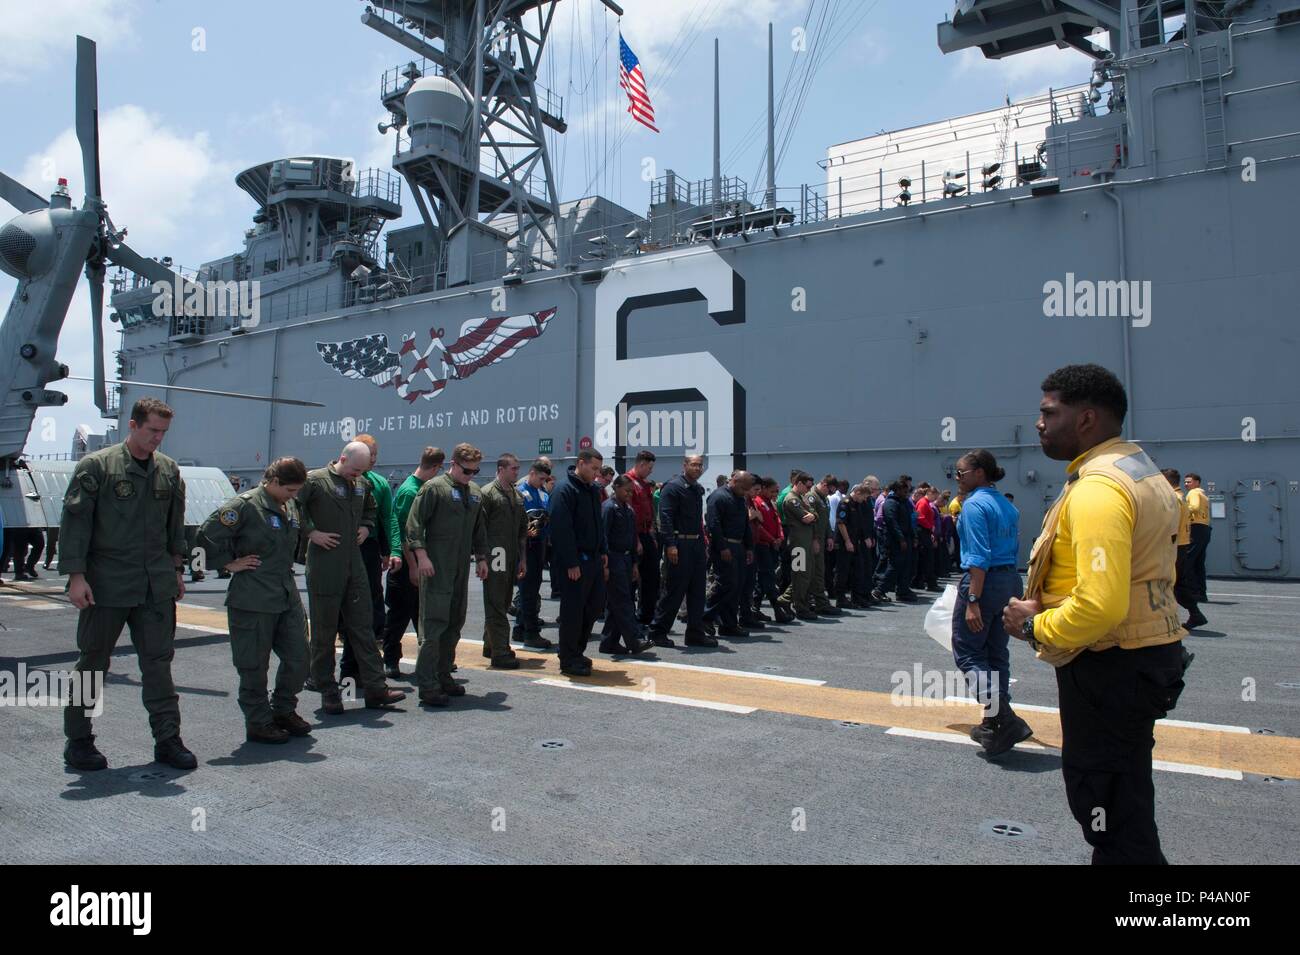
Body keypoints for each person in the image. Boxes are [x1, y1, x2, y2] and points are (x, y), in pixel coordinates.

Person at [1003, 363, 1188, 865]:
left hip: (1108, 665)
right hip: (1145, 656)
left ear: (1086, 419)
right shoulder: (1142, 472)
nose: (1039, 423)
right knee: (1126, 802)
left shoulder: (1097, 489)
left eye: (1048, 412)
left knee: (1109, 811)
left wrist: (1033, 624)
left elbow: (1100, 604)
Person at [59, 397, 196, 771]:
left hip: (155, 585)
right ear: (132, 425)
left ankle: (168, 740)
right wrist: (76, 577)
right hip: (106, 583)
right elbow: (76, 524)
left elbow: (175, 525)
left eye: (163, 433)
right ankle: (79, 740)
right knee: (93, 662)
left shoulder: (168, 470)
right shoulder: (97, 466)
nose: (157, 439)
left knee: (158, 664)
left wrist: (177, 569)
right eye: (152, 430)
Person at [198, 457, 313, 744]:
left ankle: (283, 710)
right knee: (253, 665)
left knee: (300, 656)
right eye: (289, 490)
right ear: (274, 482)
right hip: (252, 595)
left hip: (285, 592)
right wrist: (227, 564)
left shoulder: (289, 505)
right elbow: (204, 536)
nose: (293, 496)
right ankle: (258, 722)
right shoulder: (244, 506)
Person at [298, 442, 406, 715]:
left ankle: (375, 688)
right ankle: (328, 691)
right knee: (324, 632)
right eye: (354, 469)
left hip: (354, 564)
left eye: (362, 471)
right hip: (324, 566)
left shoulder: (361, 483)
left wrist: (366, 528)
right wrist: (312, 533)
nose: (356, 475)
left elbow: (371, 509)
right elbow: (293, 507)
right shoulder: (315, 481)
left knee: (363, 628)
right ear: (342, 458)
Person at [950, 449, 1029, 757]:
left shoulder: (974, 506)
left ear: (979, 472)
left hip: (984, 582)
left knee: (968, 652)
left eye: (960, 472)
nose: (957, 478)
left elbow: (979, 558)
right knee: (997, 653)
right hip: (1008, 580)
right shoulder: (1007, 506)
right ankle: (993, 723)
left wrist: (972, 600)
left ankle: (1001, 716)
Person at [405, 443, 489, 706]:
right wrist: (422, 557)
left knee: (454, 623)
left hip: (460, 569)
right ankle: (428, 684)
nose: (470, 476)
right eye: (466, 471)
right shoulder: (434, 489)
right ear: (453, 464)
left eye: (475, 472)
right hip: (436, 567)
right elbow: (414, 524)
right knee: (433, 626)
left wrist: (483, 558)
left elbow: (479, 529)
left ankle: (443, 674)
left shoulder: (474, 494)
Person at [339, 434, 401, 685]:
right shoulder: (324, 481)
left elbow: (387, 518)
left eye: (375, 455)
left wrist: (392, 550)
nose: (373, 460)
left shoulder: (376, 484)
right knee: (331, 614)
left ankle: (357, 675)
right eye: (368, 455)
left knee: (367, 610)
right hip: (335, 550)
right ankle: (320, 675)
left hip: (367, 550)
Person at [380, 446, 443, 677]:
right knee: (399, 614)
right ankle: (391, 660)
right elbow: (405, 532)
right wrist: (413, 566)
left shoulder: (421, 488)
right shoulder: (410, 491)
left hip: (417, 559)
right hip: (407, 562)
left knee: (420, 613)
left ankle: (428, 657)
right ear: (436, 467)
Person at [548, 448, 608, 674]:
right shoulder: (564, 490)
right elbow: (561, 530)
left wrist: (602, 550)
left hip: (593, 558)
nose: (596, 473)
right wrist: (571, 562)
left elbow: (597, 523)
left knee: (594, 607)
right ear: (580, 463)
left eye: (598, 469)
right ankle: (568, 657)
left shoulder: (592, 490)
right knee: (573, 612)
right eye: (593, 468)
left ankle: (577, 651)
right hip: (574, 562)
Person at [649, 454, 711, 647]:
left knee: (698, 591)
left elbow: (698, 522)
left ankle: (695, 633)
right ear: (684, 465)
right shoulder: (673, 487)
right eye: (694, 465)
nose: (698, 468)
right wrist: (671, 545)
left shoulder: (696, 489)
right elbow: (665, 518)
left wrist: (704, 544)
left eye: (700, 465)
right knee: (674, 591)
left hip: (696, 544)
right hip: (679, 544)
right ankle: (657, 632)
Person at [479, 453, 528, 669]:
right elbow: (479, 528)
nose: (517, 472)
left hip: (511, 554)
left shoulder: (517, 496)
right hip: (495, 554)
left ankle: (490, 643)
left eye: (518, 468)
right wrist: (482, 557)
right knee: (496, 601)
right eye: (513, 468)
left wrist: (522, 559)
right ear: (501, 468)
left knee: (504, 600)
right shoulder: (488, 493)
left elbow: (522, 531)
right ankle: (500, 651)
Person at [599, 475, 653, 655]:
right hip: (613, 558)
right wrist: (604, 564)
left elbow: (632, 538)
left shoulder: (628, 510)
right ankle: (634, 639)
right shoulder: (608, 508)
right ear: (616, 488)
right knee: (623, 601)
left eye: (631, 491)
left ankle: (609, 642)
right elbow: (603, 537)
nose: (629, 494)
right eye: (626, 490)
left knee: (617, 602)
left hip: (627, 559)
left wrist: (635, 565)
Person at [702, 471, 756, 638]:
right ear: (734, 481)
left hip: (738, 546)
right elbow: (713, 524)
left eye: (748, 489)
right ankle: (705, 616)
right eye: (743, 488)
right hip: (724, 547)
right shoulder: (718, 497)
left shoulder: (740, 498)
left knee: (737, 586)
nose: (746, 492)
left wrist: (748, 547)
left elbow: (745, 524)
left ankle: (729, 624)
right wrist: (722, 547)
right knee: (725, 584)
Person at [513, 459, 554, 649]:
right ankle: (531, 632)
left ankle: (521, 628)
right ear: (531, 473)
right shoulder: (520, 491)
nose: (542, 481)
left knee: (532, 588)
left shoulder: (543, 492)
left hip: (540, 544)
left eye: (545, 479)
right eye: (540, 478)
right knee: (528, 589)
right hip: (526, 545)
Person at [1163, 468, 1205, 630]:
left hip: (1173, 546)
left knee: (1168, 583)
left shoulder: (1172, 498)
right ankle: (1195, 614)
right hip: (1182, 544)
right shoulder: (1181, 497)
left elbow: (1167, 525)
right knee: (1178, 583)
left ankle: (1191, 615)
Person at [751, 478, 795, 623]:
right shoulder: (757, 502)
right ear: (763, 488)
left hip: (772, 546)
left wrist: (780, 537)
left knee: (763, 580)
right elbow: (758, 526)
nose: (775, 494)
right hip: (762, 545)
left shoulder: (770, 503)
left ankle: (755, 608)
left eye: (776, 491)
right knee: (768, 577)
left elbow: (777, 521)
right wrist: (772, 539)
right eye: (772, 491)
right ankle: (777, 609)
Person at [624, 451, 660, 625]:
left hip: (647, 535)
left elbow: (650, 512)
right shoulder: (627, 482)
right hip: (634, 536)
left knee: (652, 577)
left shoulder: (644, 484)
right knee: (632, 578)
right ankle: (629, 619)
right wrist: (636, 539)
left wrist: (651, 533)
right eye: (649, 468)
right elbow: (628, 514)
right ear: (641, 464)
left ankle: (645, 616)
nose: (651, 471)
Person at [776, 472, 818, 621]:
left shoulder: (801, 498)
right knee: (800, 575)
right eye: (807, 486)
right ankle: (798, 605)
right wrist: (812, 515)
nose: (808, 490)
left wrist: (813, 515)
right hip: (797, 544)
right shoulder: (791, 499)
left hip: (804, 542)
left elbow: (813, 514)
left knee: (806, 575)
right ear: (799, 483)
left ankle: (788, 600)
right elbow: (805, 518)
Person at [873, 480, 916, 602]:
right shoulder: (890, 503)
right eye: (904, 491)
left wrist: (914, 537)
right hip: (895, 540)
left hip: (906, 537)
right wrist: (901, 539)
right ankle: (879, 590)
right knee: (894, 566)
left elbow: (909, 521)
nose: (907, 493)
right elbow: (892, 522)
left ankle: (903, 590)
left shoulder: (903, 502)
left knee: (906, 566)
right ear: (897, 490)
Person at [807, 475, 841, 616]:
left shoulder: (824, 499)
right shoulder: (811, 497)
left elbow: (826, 520)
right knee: (808, 573)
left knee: (819, 572)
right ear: (824, 484)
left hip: (821, 540)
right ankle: (811, 602)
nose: (831, 494)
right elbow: (811, 520)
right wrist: (815, 538)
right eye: (830, 491)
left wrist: (830, 536)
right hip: (810, 541)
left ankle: (820, 602)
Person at [1183, 473, 1211, 614]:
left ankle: (1191, 592)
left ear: (1197, 482)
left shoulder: (1194, 493)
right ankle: (1201, 593)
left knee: (1187, 561)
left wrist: (1181, 510)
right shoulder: (1204, 495)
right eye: (1186, 482)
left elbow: (1193, 507)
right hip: (1205, 529)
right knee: (1199, 563)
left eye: (1189, 482)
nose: (1186, 484)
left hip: (1195, 528)